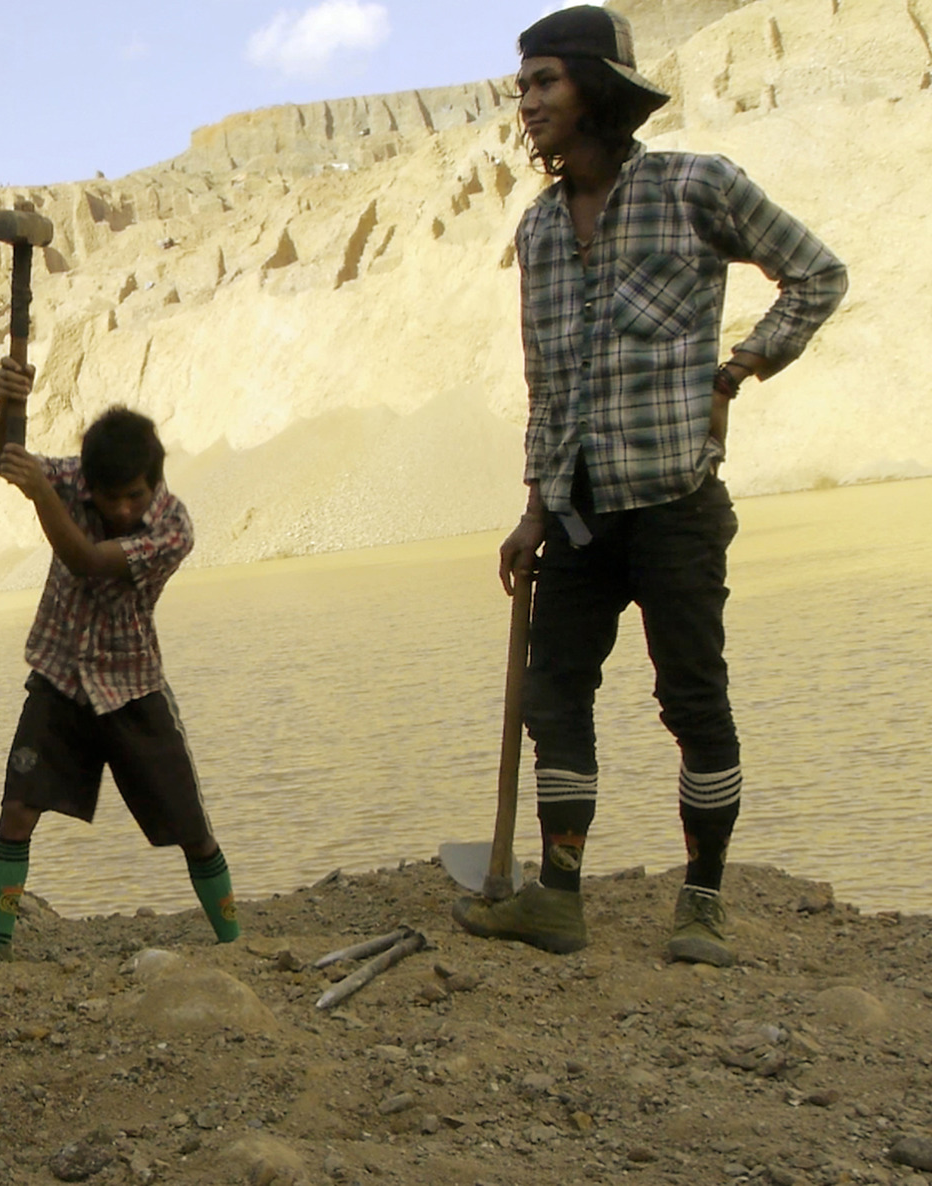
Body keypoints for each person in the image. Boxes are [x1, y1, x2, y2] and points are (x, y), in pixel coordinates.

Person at [454, 7, 846, 966]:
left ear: (596, 87)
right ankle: (557, 898)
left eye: (545, 81)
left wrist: (737, 369)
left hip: (675, 503)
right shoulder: (539, 230)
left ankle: (702, 903)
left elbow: (816, 274)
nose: (529, 102)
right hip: (580, 515)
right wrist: (535, 507)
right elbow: (548, 385)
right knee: (555, 700)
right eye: (522, 87)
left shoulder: (692, 185)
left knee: (694, 702)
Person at [0, 357, 240, 962]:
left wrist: (41, 494)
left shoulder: (173, 528)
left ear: (155, 482)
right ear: (87, 482)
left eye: (135, 495)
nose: (123, 508)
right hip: (60, 677)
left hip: (133, 688)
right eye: (110, 497)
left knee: (190, 826)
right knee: (18, 808)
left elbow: (89, 562)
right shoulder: (72, 479)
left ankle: (234, 941)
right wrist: (6, 406)